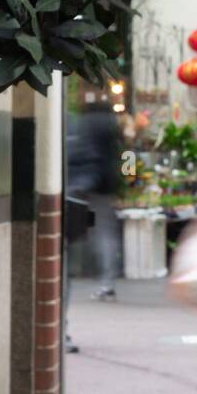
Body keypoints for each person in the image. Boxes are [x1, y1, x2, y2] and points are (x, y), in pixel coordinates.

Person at [67, 93, 121, 299]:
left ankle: (77, 269)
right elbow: (124, 154)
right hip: (106, 185)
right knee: (105, 232)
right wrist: (128, 177)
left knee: (81, 230)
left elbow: (79, 151)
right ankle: (107, 280)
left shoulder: (83, 123)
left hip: (84, 182)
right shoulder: (112, 124)